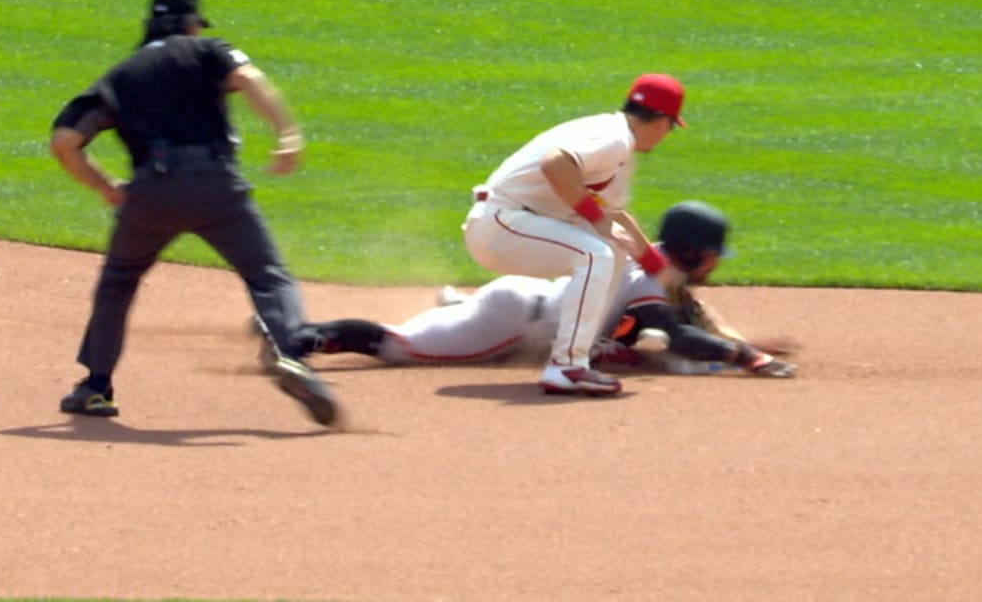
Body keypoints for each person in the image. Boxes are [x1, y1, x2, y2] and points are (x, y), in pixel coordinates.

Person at [48, 0, 340, 427]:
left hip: (151, 192)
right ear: (190, 23)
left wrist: (106, 187)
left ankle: (95, 386)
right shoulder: (207, 51)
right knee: (266, 275)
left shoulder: (121, 75)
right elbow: (247, 77)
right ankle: (291, 354)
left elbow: (65, 142)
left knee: (119, 282)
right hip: (216, 185)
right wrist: (287, 134)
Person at [293, 201, 794, 378]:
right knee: (397, 347)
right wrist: (746, 360)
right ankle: (299, 341)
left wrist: (747, 344)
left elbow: (698, 320)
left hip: (524, 301)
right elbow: (679, 336)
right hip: (513, 322)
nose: (715, 264)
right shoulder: (649, 278)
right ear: (689, 252)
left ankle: (291, 331)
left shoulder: (662, 268)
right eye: (711, 254)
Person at [461, 73, 686, 397]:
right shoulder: (614, 139)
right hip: (501, 224)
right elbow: (556, 165)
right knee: (595, 254)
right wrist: (595, 217)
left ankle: (578, 345)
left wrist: (655, 266)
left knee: (611, 248)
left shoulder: (617, 147)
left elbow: (614, 217)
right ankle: (566, 365)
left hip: (515, 223)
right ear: (662, 123)